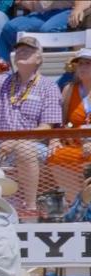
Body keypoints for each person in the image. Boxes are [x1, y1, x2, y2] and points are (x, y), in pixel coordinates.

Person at [0, 36, 62, 212]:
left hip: (33, 145)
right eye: (18, 50)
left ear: (39, 59)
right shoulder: (1, 81)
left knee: (23, 148)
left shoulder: (48, 86)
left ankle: (30, 208)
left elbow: (47, 127)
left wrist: (16, 141)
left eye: (28, 50)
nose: (21, 52)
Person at [47, 48, 91, 203]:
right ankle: (76, 204)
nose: (83, 67)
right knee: (55, 155)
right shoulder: (68, 89)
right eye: (80, 64)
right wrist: (55, 139)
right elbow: (60, 122)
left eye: (88, 63)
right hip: (75, 146)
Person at [0, 1, 87, 62]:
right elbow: (36, 4)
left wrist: (78, 8)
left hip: (69, 9)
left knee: (49, 30)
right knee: (10, 28)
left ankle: (64, 70)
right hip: (44, 13)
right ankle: (4, 74)